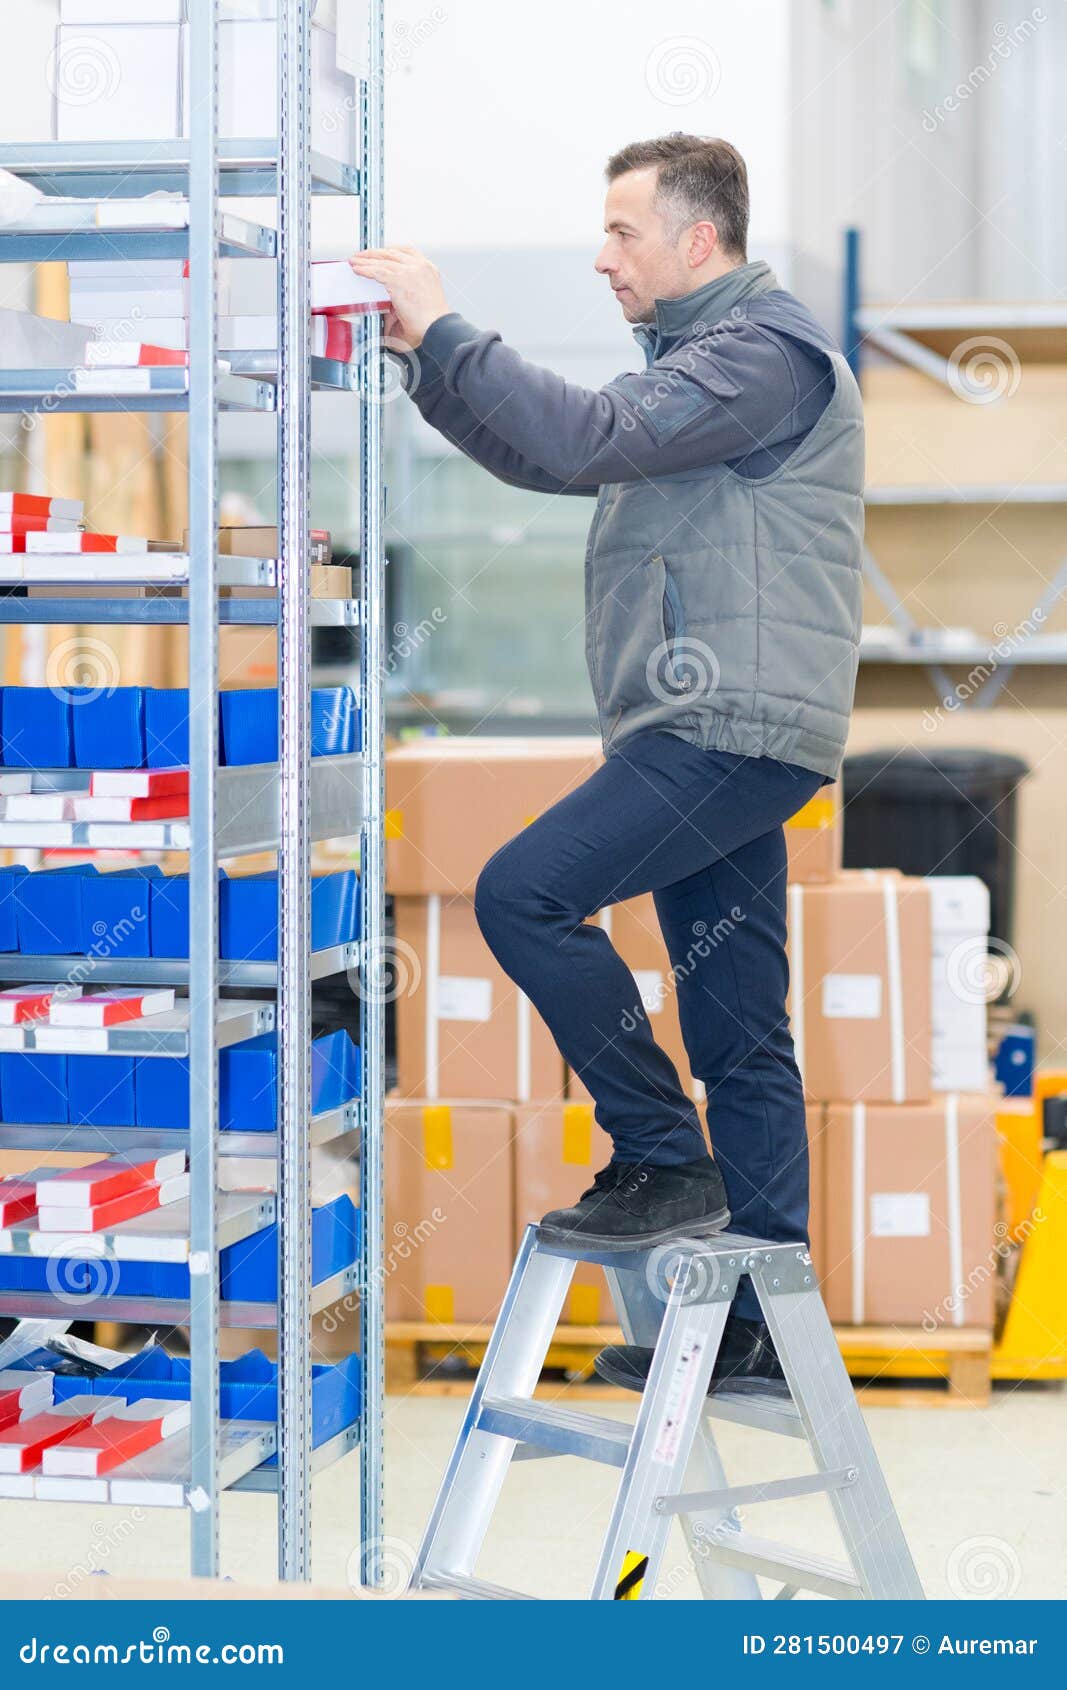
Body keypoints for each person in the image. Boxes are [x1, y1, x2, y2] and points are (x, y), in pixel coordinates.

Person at [352, 132, 864, 1393]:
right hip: (708, 730)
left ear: (698, 240)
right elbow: (543, 454)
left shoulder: (763, 355)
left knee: (523, 892)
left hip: (725, 728)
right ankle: (758, 1340)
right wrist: (428, 363)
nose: (599, 258)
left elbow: (579, 433)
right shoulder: (697, 372)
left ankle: (657, 1152)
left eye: (621, 233)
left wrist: (449, 321)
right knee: (741, 1028)